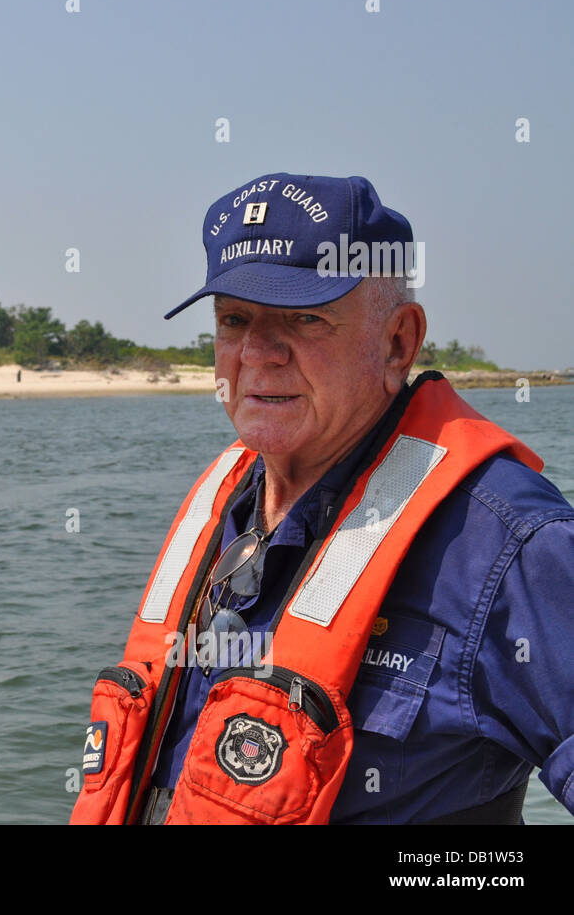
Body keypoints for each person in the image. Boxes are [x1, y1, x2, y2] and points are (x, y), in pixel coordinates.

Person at [70, 172, 574, 825]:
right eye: (234, 318)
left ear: (399, 341)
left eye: (305, 317)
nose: (258, 352)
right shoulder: (228, 509)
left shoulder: (507, 544)